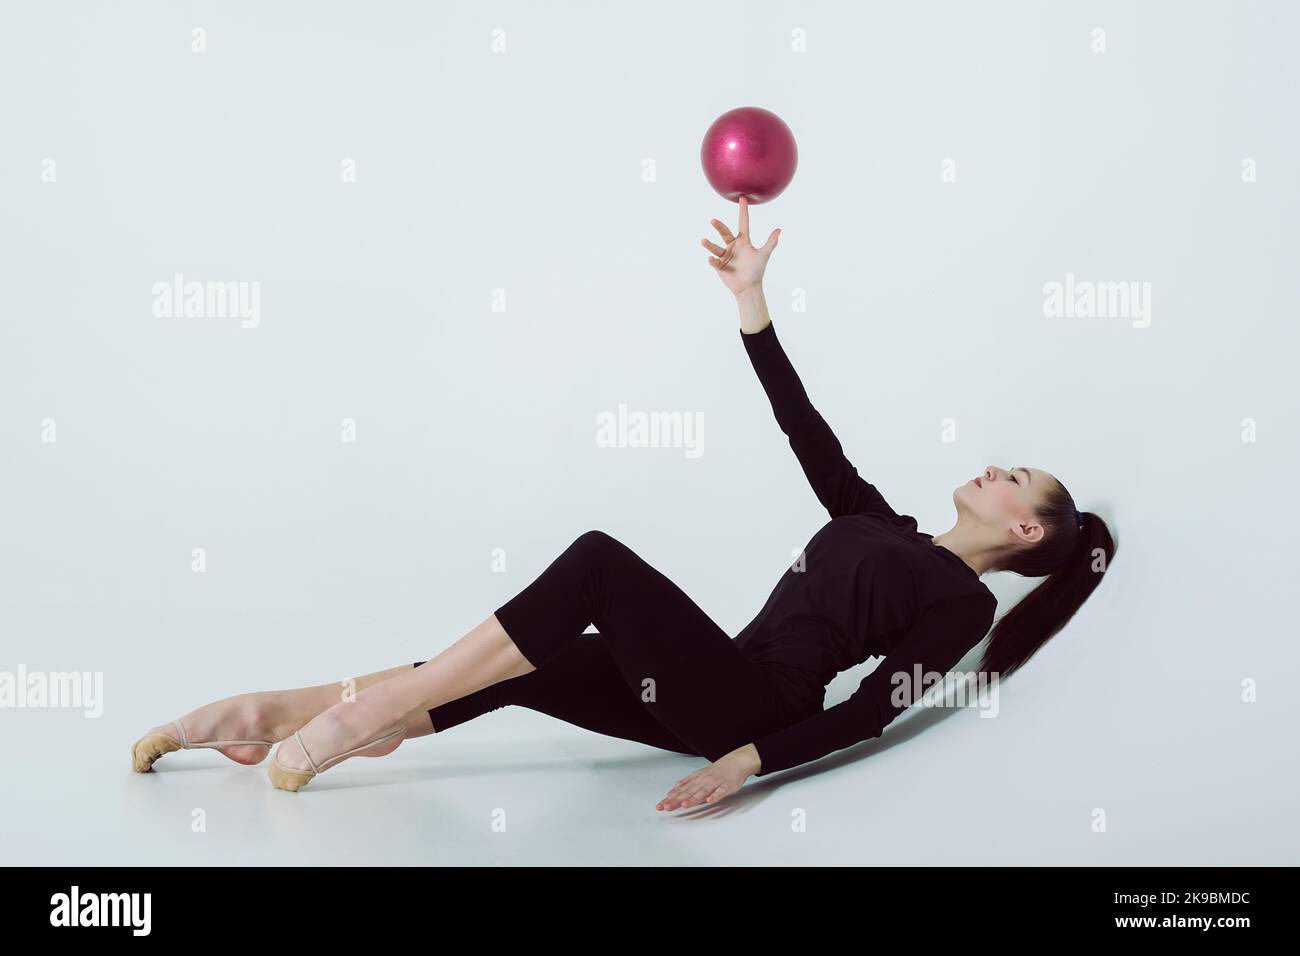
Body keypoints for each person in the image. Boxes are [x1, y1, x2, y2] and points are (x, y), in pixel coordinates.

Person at [131, 198, 1116, 809]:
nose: (993, 467)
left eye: (1013, 476)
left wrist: (743, 765)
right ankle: (262, 713)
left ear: (1025, 530)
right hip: (714, 673)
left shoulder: (963, 604)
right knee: (519, 664)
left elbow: (869, 711)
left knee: (598, 560)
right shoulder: (875, 520)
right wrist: (751, 301)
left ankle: (365, 716)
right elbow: (799, 421)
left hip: (749, 706)